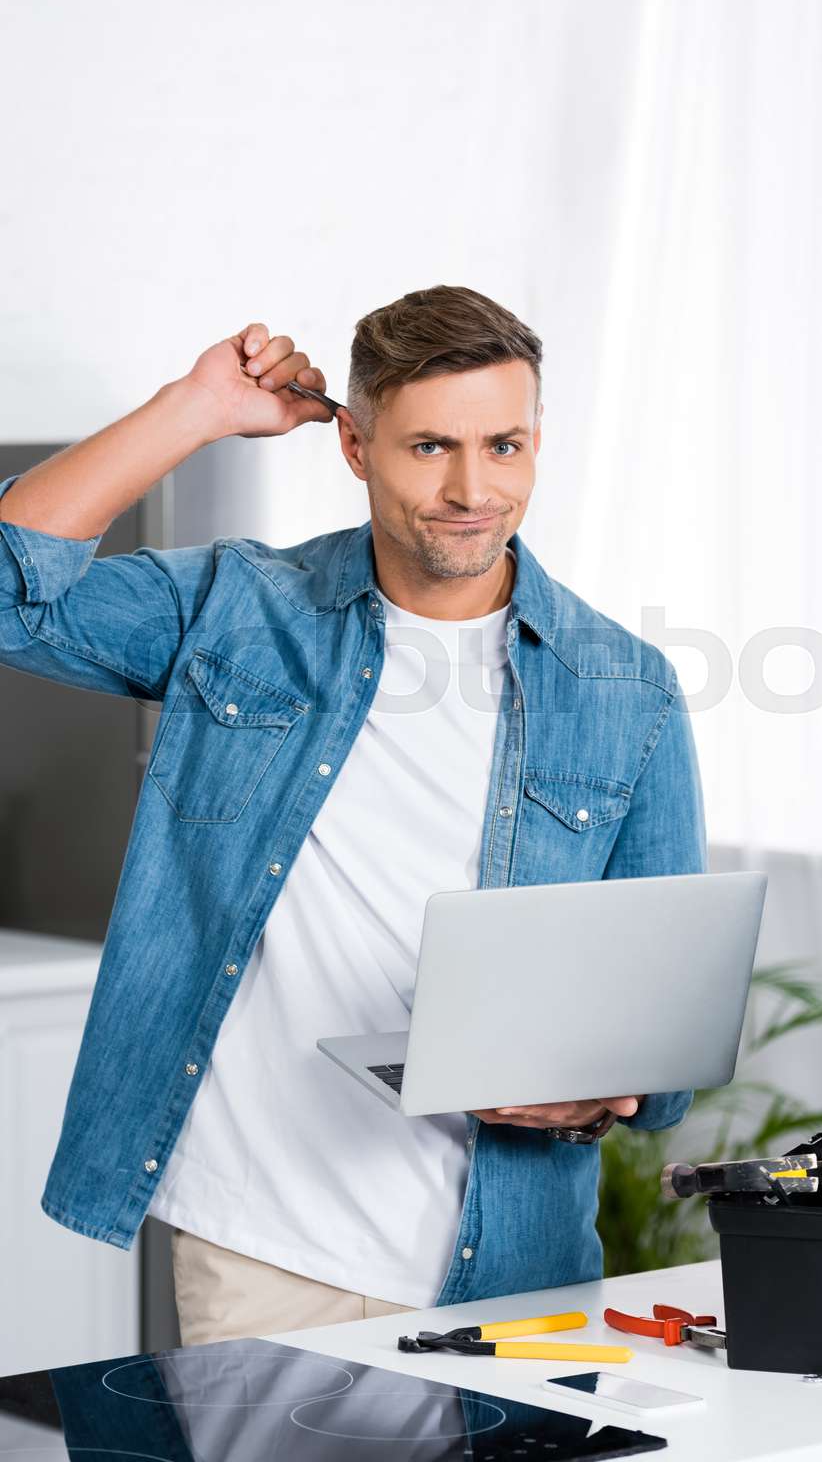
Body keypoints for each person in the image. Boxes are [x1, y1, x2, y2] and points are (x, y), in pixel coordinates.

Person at [0, 285, 707, 1345]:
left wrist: (606, 1091)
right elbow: (12, 591)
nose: (472, 489)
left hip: (518, 1264)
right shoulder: (240, 608)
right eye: (429, 447)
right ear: (355, 446)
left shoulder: (627, 689)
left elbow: (667, 1040)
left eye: (504, 445)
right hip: (267, 1247)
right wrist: (195, 408)